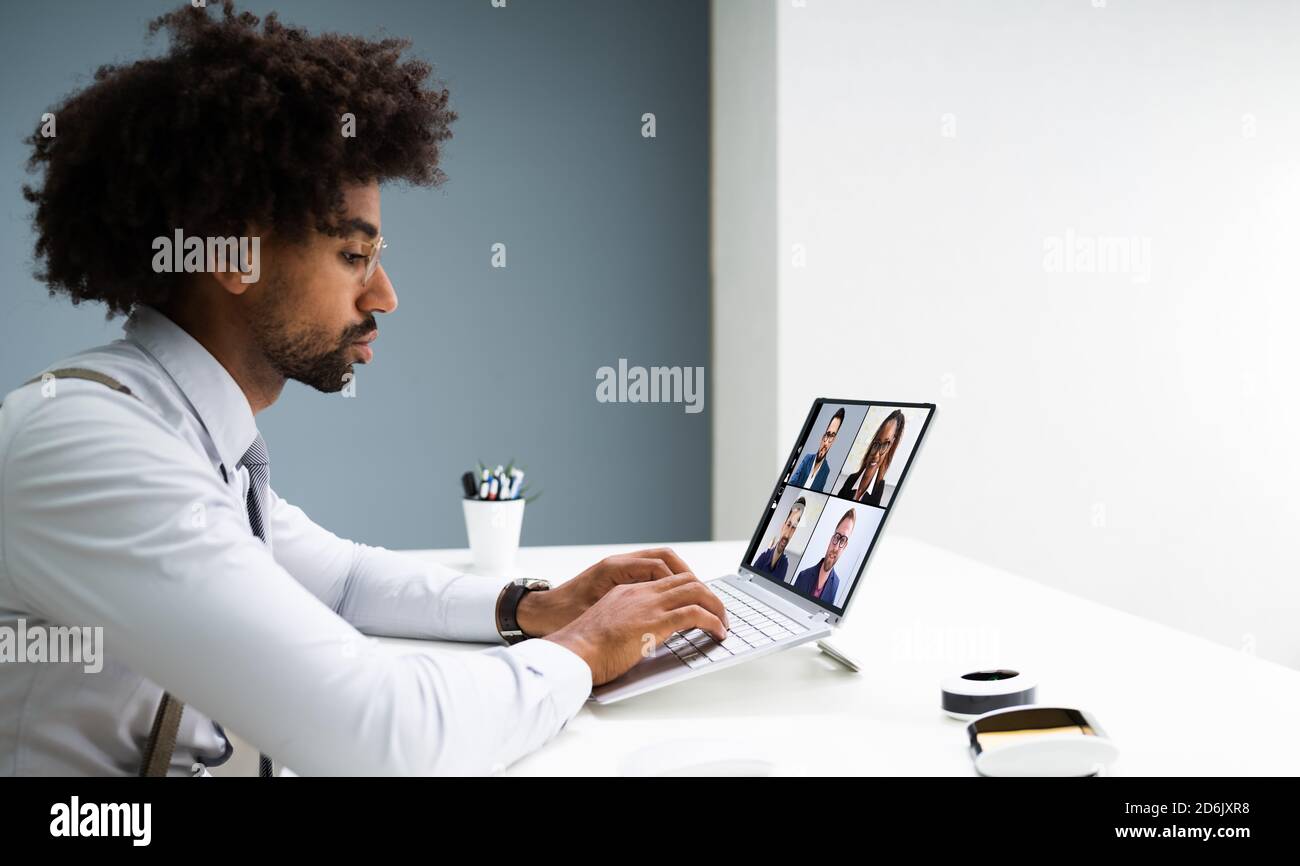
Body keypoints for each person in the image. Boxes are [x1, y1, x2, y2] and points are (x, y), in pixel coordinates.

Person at [0, 2, 730, 777]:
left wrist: (529, 607)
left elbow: (342, 582)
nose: (383, 296)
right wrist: (583, 651)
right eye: (354, 255)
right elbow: (379, 737)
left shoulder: (173, 429)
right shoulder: (88, 445)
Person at [837, 410, 905, 507]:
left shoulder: (878, 491)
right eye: (876, 443)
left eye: (886, 444)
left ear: (891, 446)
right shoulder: (851, 479)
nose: (876, 454)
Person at [792, 509, 856, 604]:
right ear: (832, 538)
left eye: (842, 540)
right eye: (837, 537)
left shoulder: (835, 584)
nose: (836, 547)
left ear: (845, 547)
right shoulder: (803, 575)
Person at [752, 497, 806, 582]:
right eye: (788, 524)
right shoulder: (763, 557)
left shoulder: (785, 565)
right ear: (783, 526)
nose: (788, 534)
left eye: (794, 527)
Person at [790, 407, 844, 490]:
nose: (826, 443)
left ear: (833, 441)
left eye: (832, 436)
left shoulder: (826, 470)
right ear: (823, 436)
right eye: (827, 434)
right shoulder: (807, 458)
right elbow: (792, 483)